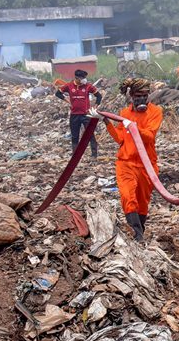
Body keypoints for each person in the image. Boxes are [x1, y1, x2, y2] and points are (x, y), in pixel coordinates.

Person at [103, 78, 162, 242]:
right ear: (131, 96)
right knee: (128, 196)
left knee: (142, 202)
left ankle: (140, 232)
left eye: (144, 95)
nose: (141, 99)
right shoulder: (125, 113)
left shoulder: (155, 112)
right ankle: (136, 234)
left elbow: (150, 136)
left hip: (146, 165)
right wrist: (107, 122)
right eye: (137, 96)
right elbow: (120, 138)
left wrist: (134, 126)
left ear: (148, 96)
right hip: (125, 162)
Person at [56, 69, 103, 158]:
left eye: (85, 78)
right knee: (75, 136)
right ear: (77, 78)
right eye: (82, 78)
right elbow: (58, 93)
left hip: (86, 115)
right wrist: (67, 100)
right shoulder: (69, 86)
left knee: (90, 135)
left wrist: (95, 107)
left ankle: (94, 155)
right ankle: (75, 156)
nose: (84, 80)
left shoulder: (88, 86)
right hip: (74, 115)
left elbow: (99, 96)